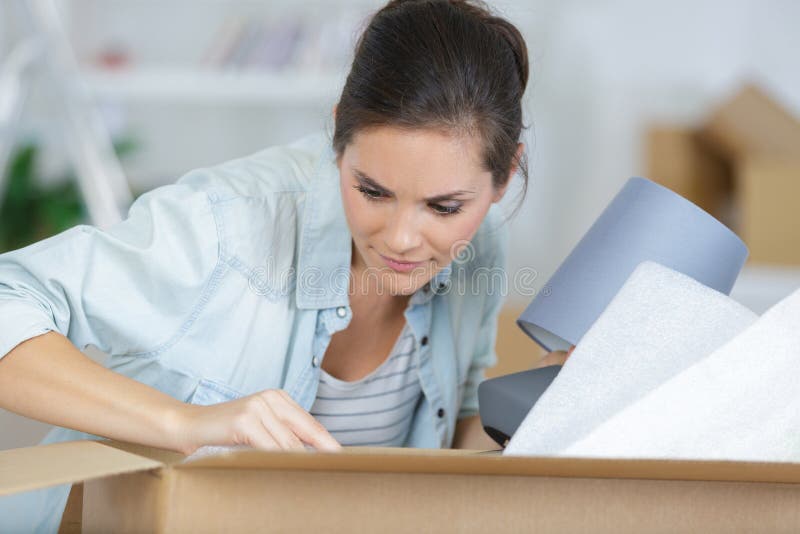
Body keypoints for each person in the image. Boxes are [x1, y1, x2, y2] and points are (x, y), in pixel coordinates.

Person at [0, 0, 568, 530]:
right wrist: (184, 424)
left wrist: (542, 411)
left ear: (504, 175)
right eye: (372, 190)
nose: (400, 238)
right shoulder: (228, 225)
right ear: (339, 133)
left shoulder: (480, 246)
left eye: (443, 208)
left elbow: (451, 436)